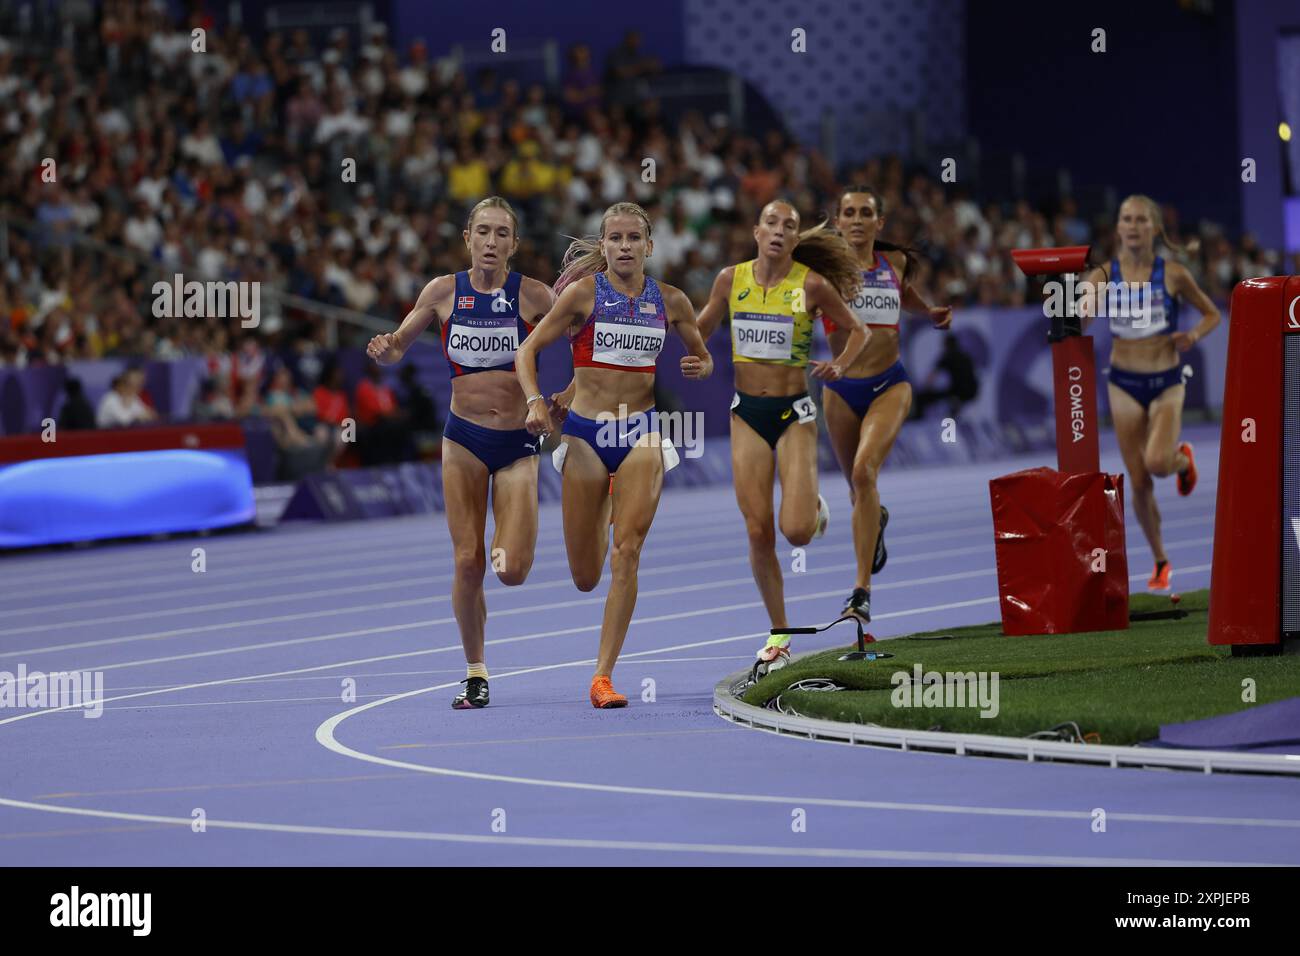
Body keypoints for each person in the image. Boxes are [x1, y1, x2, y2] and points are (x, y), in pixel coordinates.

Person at [514, 201, 713, 708]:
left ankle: (602, 677)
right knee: (586, 576)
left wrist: (700, 366)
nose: (624, 246)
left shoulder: (671, 302)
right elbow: (527, 351)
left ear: (649, 245)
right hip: (583, 435)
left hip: (642, 434)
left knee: (627, 553)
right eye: (614, 238)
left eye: (633, 238)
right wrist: (538, 400)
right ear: (602, 247)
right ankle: (603, 497)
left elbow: (703, 355)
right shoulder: (583, 295)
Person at [367, 197, 555, 709]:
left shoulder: (534, 296)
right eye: (483, 232)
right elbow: (400, 345)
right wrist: (387, 349)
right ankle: (475, 670)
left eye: (502, 234)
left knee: (511, 569)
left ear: (514, 245)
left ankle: (505, 536)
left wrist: (561, 400)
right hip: (463, 440)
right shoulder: (443, 292)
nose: (491, 242)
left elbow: (592, 348)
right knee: (468, 561)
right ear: (467, 238)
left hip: (517, 443)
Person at [696, 199, 868, 671]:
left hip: (794, 414)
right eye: (770, 222)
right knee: (757, 530)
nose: (777, 230)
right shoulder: (731, 280)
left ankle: (809, 501)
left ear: (795, 239)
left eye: (788, 226)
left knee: (796, 532)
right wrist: (694, 347)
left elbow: (858, 332)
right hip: (746, 413)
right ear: (756, 231)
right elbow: (701, 326)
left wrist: (841, 365)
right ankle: (780, 634)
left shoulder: (811, 284)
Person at [822, 186, 953, 625]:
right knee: (857, 491)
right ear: (837, 221)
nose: (857, 219)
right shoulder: (823, 268)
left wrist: (929, 311)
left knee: (864, 472)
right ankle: (874, 517)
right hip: (840, 392)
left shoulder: (893, 262)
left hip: (889, 385)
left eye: (866, 213)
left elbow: (904, 293)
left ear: (879, 223)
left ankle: (861, 591)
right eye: (848, 213)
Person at [1080, 194, 1220, 592]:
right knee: (1139, 481)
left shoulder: (1173, 274)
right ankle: (1160, 560)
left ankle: (1181, 461)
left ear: (1154, 228)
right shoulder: (1104, 276)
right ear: (1118, 228)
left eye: (1141, 219)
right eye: (1126, 219)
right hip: (1123, 383)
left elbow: (1212, 313)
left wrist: (1192, 334)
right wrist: (1074, 307)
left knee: (1158, 462)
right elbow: (1079, 321)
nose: (1133, 226)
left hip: (1165, 381)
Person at [912, 333, 976, 419]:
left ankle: (917, 422)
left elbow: (932, 376)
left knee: (922, 398)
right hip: (972, 391)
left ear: (946, 345)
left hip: (958, 392)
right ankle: (954, 411)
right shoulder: (966, 356)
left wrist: (923, 387)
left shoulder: (948, 356)